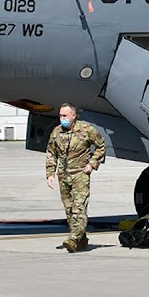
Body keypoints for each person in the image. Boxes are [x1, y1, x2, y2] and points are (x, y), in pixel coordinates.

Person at [45, 103, 107, 253]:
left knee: (79, 209)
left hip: (80, 175)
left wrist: (92, 164)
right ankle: (82, 240)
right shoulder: (56, 132)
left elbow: (101, 145)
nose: (62, 118)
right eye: (60, 115)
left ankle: (73, 239)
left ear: (73, 116)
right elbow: (51, 153)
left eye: (65, 115)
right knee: (69, 210)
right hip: (63, 176)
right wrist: (50, 174)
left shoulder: (86, 130)